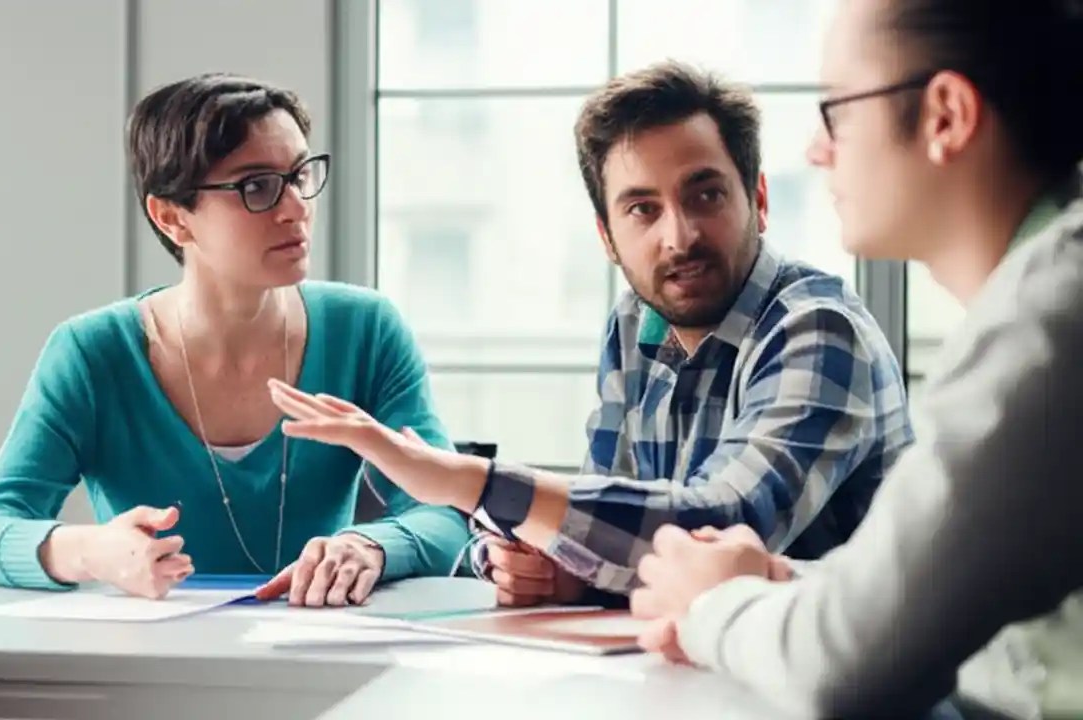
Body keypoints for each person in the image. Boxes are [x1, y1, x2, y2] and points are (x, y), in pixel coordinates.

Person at [267, 61, 914, 610]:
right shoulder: (635, 322)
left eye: (706, 195)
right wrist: (552, 567)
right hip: (705, 668)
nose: (679, 236)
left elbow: (723, 527)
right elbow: (615, 516)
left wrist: (470, 481)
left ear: (759, 200)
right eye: (642, 209)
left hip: (851, 685)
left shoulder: (818, 327)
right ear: (607, 237)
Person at [620, 0, 1083, 717]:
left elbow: (838, 668)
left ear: (946, 117)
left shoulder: (1051, 321)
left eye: (837, 111)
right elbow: (937, 602)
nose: (816, 150)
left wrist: (713, 604)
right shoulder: (1039, 299)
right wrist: (777, 583)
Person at [0, 74, 469, 606]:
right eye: (257, 186)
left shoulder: (366, 331)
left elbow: (446, 510)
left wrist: (368, 546)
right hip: (154, 650)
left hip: (318, 643)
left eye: (300, 175)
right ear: (172, 218)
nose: (296, 208)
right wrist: (91, 551)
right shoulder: (92, 352)